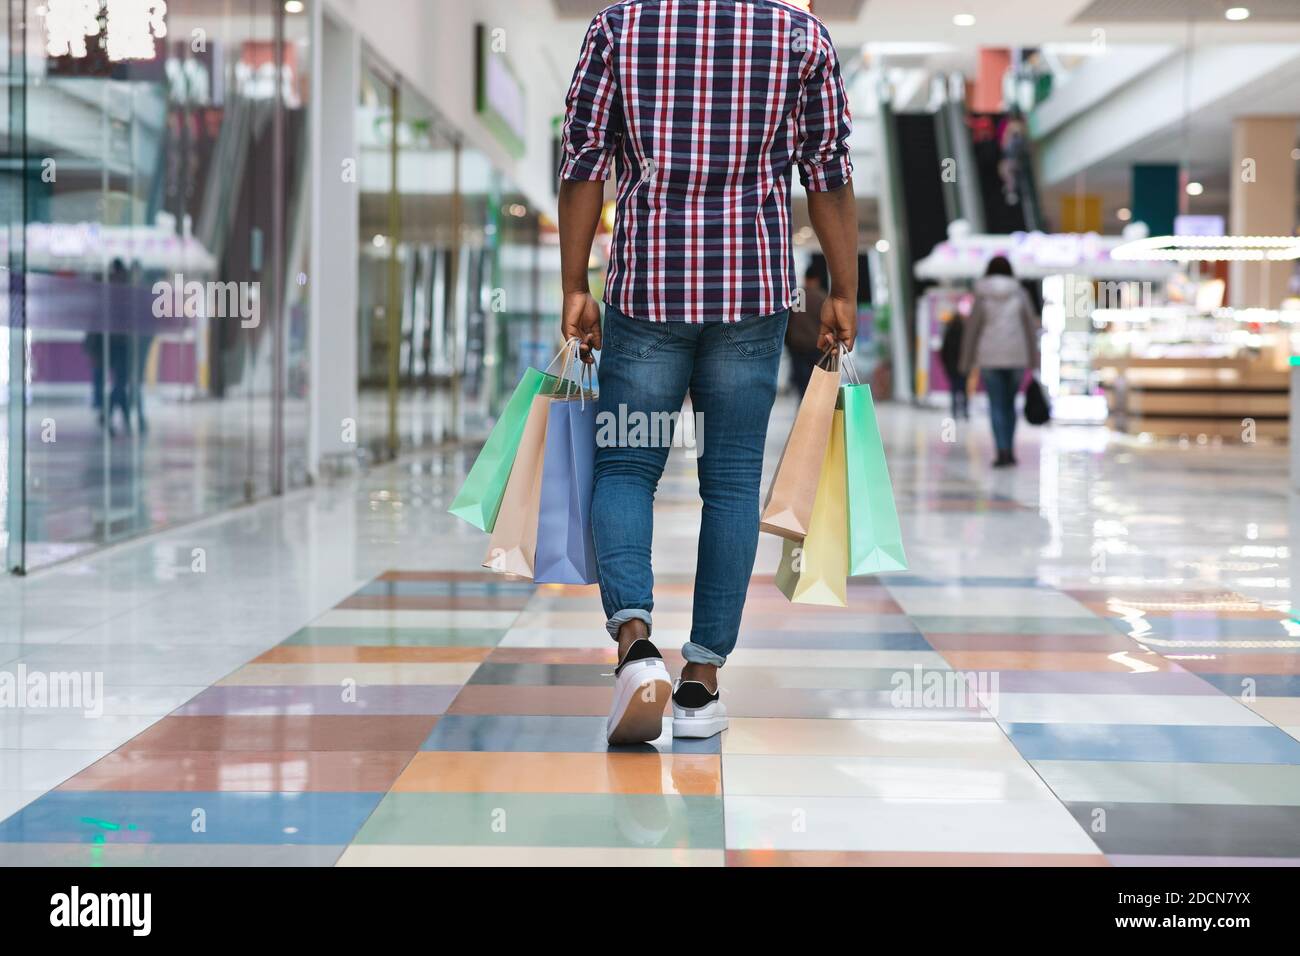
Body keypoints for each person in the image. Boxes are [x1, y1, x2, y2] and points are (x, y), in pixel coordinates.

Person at [558, 0, 857, 744]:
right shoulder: (798, 36)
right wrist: (843, 290)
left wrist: (574, 284)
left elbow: (582, 160)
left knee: (626, 468)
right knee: (729, 483)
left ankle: (634, 647)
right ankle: (700, 683)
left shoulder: (618, 28)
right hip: (751, 298)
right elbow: (828, 172)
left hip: (647, 292)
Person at [959, 255, 1041, 467]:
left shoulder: (982, 295)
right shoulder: (1020, 293)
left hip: (989, 358)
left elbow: (972, 330)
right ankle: (1010, 450)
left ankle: (1001, 451)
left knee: (996, 405)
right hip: (1017, 357)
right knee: (1010, 404)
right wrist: (1034, 360)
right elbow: (1030, 329)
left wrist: (966, 361)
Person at [786, 262, 828, 397]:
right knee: (816, 381)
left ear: (806, 278)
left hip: (797, 345)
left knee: (801, 382)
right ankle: (813, 409)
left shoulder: (798, 295)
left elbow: (791, 320)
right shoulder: (822, 297)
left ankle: (803, 410)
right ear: (818, 279)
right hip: (817, 346)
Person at [939, 311, 967, 420]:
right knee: (963, 389)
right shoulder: (965, 334)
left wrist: (945, 364)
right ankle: (965, 411)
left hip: (951, 366)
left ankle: (954, 411)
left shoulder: (948, 333)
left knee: (954, 389)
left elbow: (944, 351)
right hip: (963, 366)